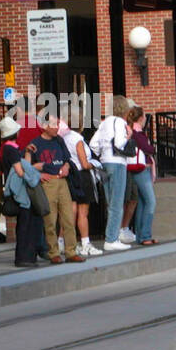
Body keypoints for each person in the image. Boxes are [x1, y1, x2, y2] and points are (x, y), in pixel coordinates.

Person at [29, 113, 85, 264]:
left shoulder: (59, 140)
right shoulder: (36, 143)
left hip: (62, 181)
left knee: (68, 217)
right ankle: (53, 252)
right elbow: (27, 165)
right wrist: (39, 174)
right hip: (48, 183)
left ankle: (70, 251)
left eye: (58, 124)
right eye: (54, 124)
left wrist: (66, 167)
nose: (57, 127)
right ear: (44, 126)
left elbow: (67, 159)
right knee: (50, 219)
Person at [0, 115, 47, 268]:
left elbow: (22, 165)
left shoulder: (10, 149)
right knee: (26, 225)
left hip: (21, 191)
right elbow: (20, 171)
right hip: (21, 192)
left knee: (26, 223)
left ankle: (27, 256)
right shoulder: (10, 150)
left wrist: (27, 152)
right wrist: (36, 169)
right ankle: (24, 257)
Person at [90, 95, 134, 252]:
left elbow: (93, 144)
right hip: (117, 163)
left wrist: (103, 153)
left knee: (110, 203)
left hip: (104, 163)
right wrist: (128, 137)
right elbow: (119, 143)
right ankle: (112, 239)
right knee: (117, 203)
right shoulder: (120, 122)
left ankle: (111, 236)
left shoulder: (104, 123)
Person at [60, 104, 101, 256]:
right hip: (82, 176)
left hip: (70, 175)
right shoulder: (78, 139)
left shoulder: (63, 137)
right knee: (83, 213)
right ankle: (85, 243)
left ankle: (62, 242)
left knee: (69, 212)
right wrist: (96, 164)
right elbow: (84, 163)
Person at [124, 105, 158, 245]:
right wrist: (152, 149)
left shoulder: (136, 133)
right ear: (140, 118)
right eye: (144, 116)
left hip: (144, 169)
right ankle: (145, 236)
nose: (145, 119)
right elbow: (147, 148)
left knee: (143, 203)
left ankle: (141, 235)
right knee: (151, 202)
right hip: (141, 170)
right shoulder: (137, 134)